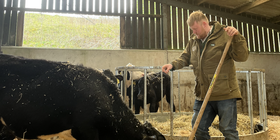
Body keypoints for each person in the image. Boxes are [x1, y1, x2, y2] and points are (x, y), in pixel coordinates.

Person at [162, 10, 249, 140]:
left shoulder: (225, 35)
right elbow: (185, 57)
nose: (194, 32)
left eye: (195, 29)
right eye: (192, 29)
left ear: (204, 23)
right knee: (198, 128)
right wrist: (173, 65)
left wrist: (237, 37)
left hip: (224, 93)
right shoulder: (194, 40)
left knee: (228, 130)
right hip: (202, 93)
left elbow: (242, 57)